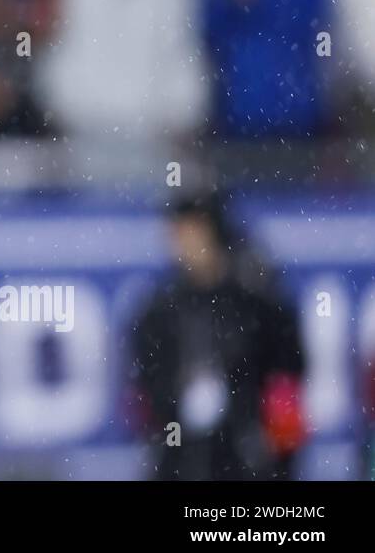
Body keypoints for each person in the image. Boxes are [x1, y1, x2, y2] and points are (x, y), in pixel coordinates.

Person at [130, 191, 307, 480]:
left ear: (213, 231)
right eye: (177, 234)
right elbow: (149, 388)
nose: (182, 244)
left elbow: (286, 377)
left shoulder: (256, 303)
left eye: (191, 231)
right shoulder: (160, 312)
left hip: (248, 458)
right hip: (181, 460)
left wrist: (265, 440)